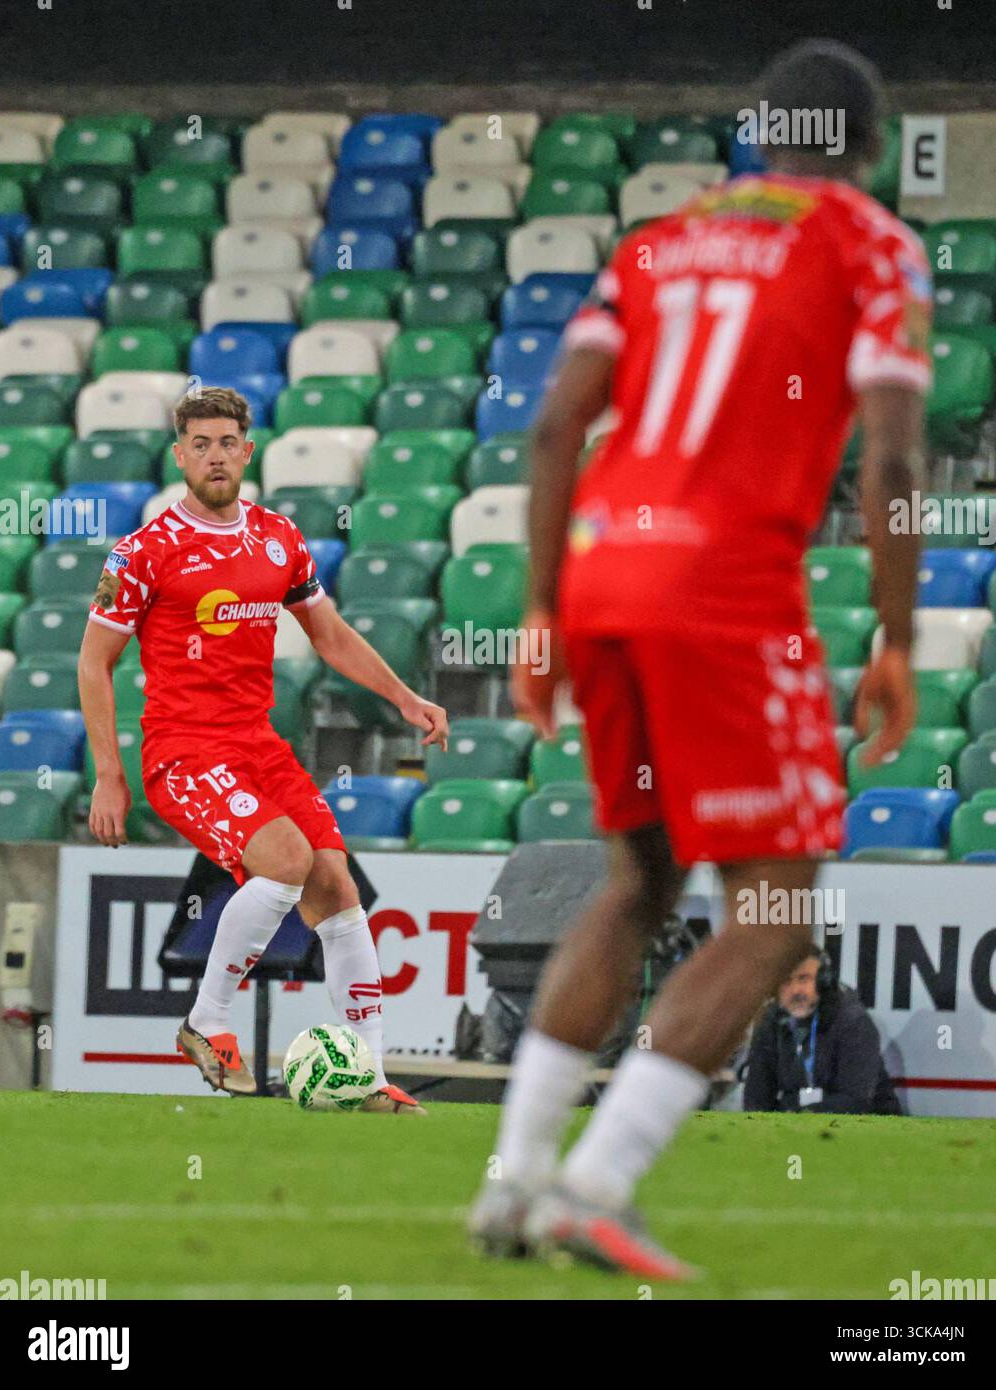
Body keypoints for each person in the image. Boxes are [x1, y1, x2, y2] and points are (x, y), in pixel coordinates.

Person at [469, 38, 930, 1277]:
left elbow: (556, 420)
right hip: (721, 591)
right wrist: (893, 637)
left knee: (637, 881)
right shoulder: (871, 244)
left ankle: (510, 1181)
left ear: (759, 134)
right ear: (868, 148)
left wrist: (541, 608)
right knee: (774, 909)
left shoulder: (656, 244)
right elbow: (888, 461)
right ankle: (596, 1180)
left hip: (604, 571)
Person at [78, 387, 449, 1110]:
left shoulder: (278, 538)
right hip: (183, 752)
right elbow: (94, 662)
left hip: (258, 745)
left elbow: (330, 635)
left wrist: (405, 698)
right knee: (285, 861)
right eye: (200, 445)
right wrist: (107, 776)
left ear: (247, 452)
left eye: (227, 443)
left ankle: (367, 1076)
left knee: (337, 888)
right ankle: (205, 1021)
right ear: (178, 455)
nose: (214, 457)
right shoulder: (144, 553)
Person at [742, 951, 901, 1115]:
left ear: (824, 981)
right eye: (786, 981)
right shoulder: (770, 1021)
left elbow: (855, 1101)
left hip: (866, 1128)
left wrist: (794, 1114)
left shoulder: (853, 1020)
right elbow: (756, 1100)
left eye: (803, 979)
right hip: (798, 1124)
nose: (795, 990)